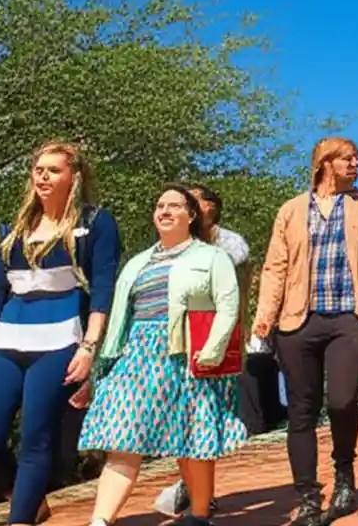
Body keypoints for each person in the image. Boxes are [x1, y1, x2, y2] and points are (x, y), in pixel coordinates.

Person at [0, 142, 121, 526]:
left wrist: (90, 346)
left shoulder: (95, 223)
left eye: (53, 170)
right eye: (38, 169)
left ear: (75, 176)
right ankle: (27, 498)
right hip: (6, 342)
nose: (42, 176)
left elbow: (104, 288)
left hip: (60, 341)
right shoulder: (13, 232)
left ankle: (20, 518)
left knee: (35, 438)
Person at [79, 185, 247, 526]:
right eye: (159, 206)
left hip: (189, 356)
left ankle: (199, 514)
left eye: (174, 206)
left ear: (191, 215)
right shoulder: (137, 263)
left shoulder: (212, 257)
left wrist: (211, 352)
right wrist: (106, 363)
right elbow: (121, 316)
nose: (165, 211)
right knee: (122, 437)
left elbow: (229, 306)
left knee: (191, 438)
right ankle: (100, 520)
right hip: (138, 356)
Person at [252, 137, 358, 526]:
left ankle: (344, 471)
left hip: (349, 316)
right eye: (349, 158)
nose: (356, 164)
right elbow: (275, 266)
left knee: (344, 400)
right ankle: (309, 496)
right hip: (298, 320)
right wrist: (265, 314)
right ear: (325, 163)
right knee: (301, 410)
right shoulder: (292, 210)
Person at [151, 183, 255, 519]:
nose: (181, 206)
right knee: (182, 419)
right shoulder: (167, 247)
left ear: (207, 208)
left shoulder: (228, 245)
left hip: (216, 342)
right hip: (179, 343)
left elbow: (225, 289)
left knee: (206, 418)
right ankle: (194, 489)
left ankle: (198, 495)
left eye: (191, 200)